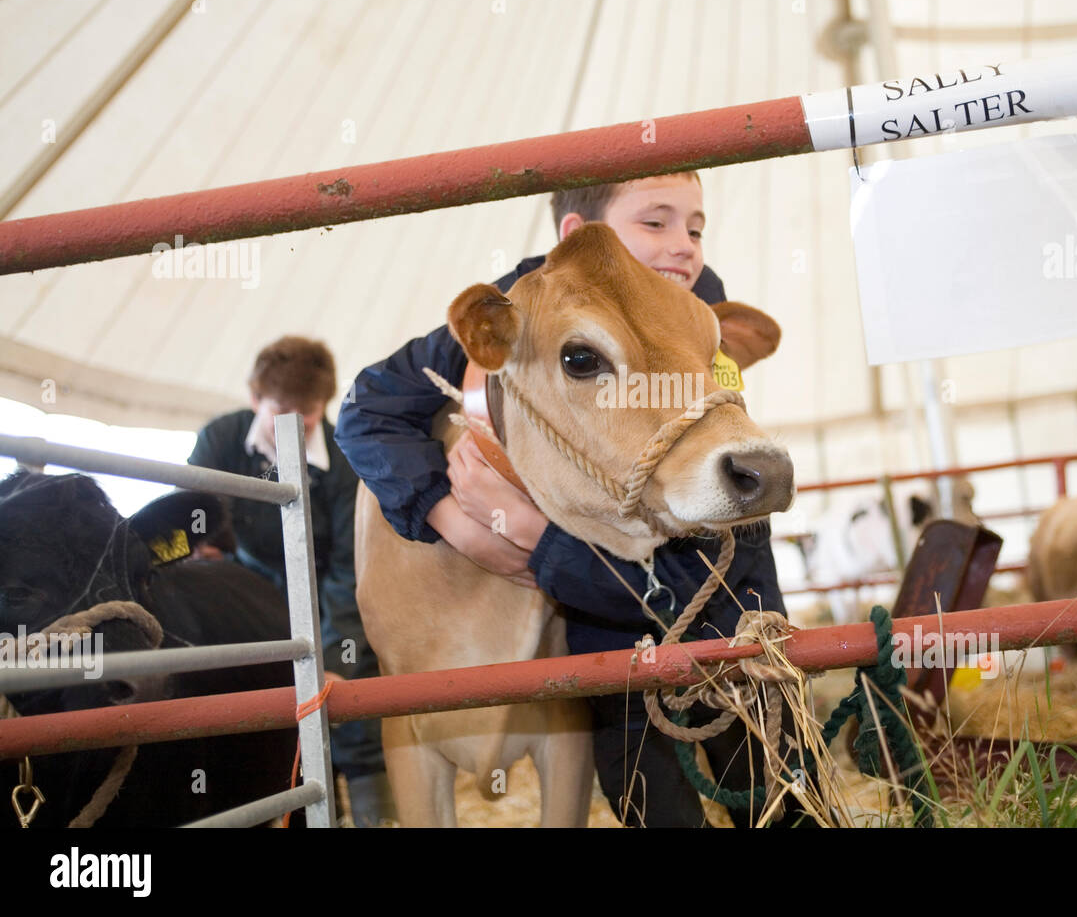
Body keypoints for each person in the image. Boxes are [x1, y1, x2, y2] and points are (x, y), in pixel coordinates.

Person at [335, 174, 809, 826]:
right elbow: (366, 407)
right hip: (597, 618)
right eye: (655, 223)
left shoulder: (695, 311)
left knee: (763, 751)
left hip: (703, 577)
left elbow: (717, 487)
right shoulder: (525, 308)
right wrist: (453, 517)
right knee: (641, 776)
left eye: (695, 228)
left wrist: (533, 537)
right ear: (578, 237)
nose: (683, 247)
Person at [188, 335, 395, 827]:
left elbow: (350, 565)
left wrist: (334, 654)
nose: (295, 423)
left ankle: (373, 818)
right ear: (255, 398)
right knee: (269, 725)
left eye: (307, 412)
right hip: (249, 604)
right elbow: (195, 523)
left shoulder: (345, 461)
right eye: (281, 408)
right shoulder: (220, 439)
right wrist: (207, 551)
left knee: (350, 717)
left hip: (330, 603)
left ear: (323, 405)